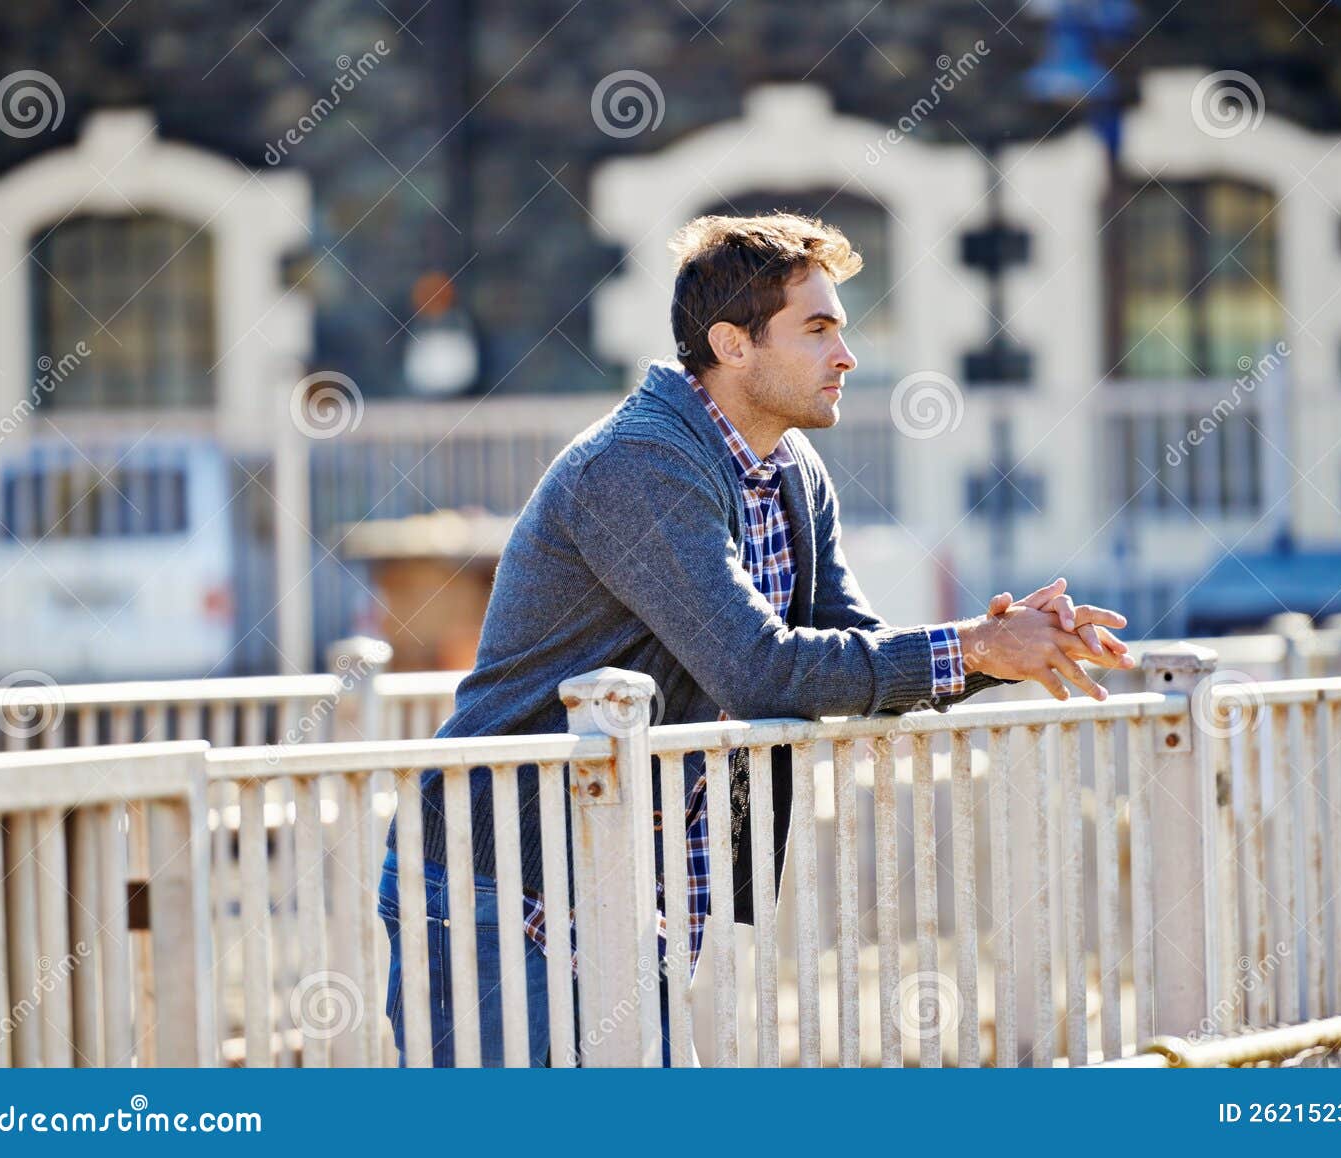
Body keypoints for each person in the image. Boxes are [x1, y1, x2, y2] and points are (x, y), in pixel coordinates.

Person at [377, 212, 1134, 1066]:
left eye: (841, 331)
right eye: (817, 331)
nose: (845, 356)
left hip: (626, 878)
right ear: (733, 345)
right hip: (502, 881)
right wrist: (970, 648)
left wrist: (1003, 648)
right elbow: (760, 669)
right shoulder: (639, 466)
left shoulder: (790, 473)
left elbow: (853, 652)